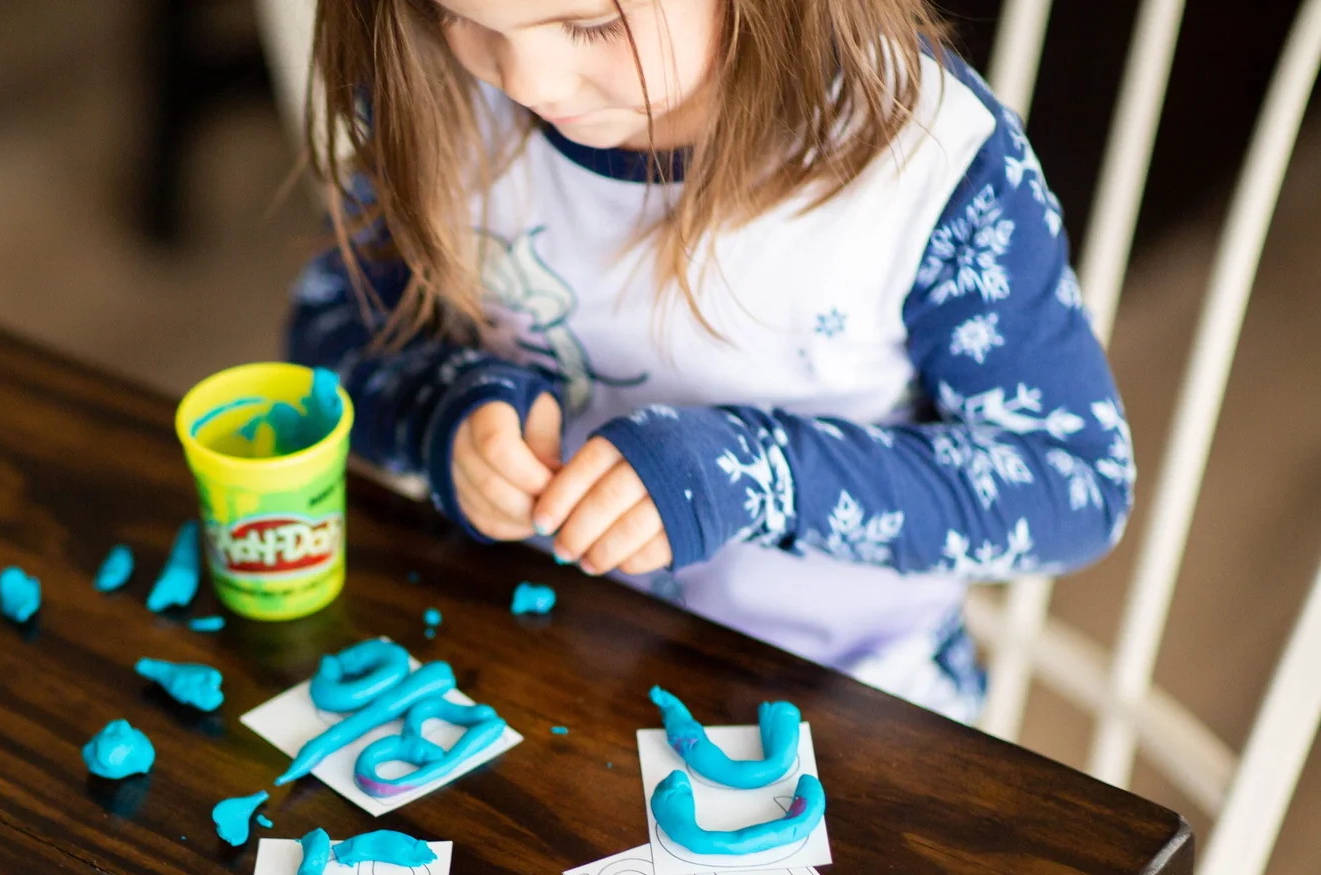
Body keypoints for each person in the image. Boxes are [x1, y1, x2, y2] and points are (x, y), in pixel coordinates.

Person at [286, 0, 1132, 721]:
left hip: (848, 698)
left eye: (588, 23)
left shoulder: (928, 166)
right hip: (535, 657)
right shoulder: (444, 90)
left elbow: (1073, 485)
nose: (528, 81)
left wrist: (754, 475)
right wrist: (448, 409)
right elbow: (331, 336)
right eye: (461, 15)